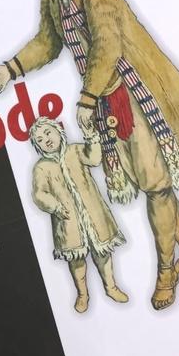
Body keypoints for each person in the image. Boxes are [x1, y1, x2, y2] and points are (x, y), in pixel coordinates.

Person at [0, 0, 179, 310]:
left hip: (140, 90)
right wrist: (9, 69)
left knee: (155, 184)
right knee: (154, 184)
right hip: (106, 96)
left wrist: (85, 99)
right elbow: (48, 43)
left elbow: (108, 43)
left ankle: (167, 273)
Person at [29, 116, 128, 313]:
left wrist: (91, 137)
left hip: (93, 213)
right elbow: (39, 194)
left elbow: (94, 158)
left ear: (58, 131)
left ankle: (111, 287)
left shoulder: (74, 150)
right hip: (68, 221)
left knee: (103, 253)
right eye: (40, 140)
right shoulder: (41, 167)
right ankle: (83, 294)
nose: (46, 140)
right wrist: (55, 206)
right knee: (76, 260)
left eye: (48, 133)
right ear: (37, 146)